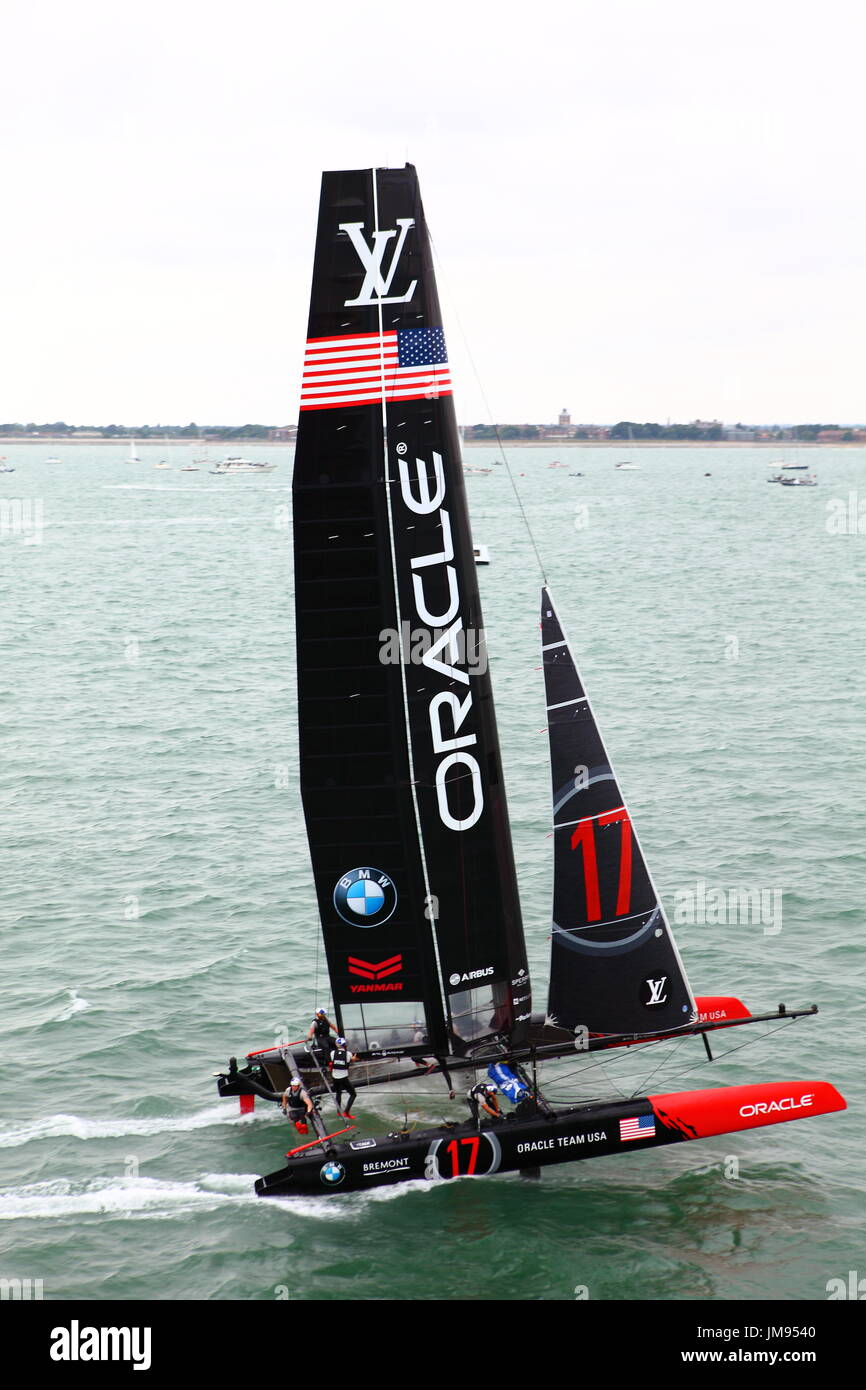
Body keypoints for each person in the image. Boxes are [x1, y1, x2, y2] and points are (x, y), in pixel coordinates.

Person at [329, 1036, 358, 1119]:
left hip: (335, 1078)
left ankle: (339, 1111)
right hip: (343, 1078)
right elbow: (350, 1059)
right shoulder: (348, 1054)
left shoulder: (332, 1053)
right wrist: (354, 1059)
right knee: (353, 1094)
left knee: (338, 1093)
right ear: (345, 1045)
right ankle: (346, 1112)